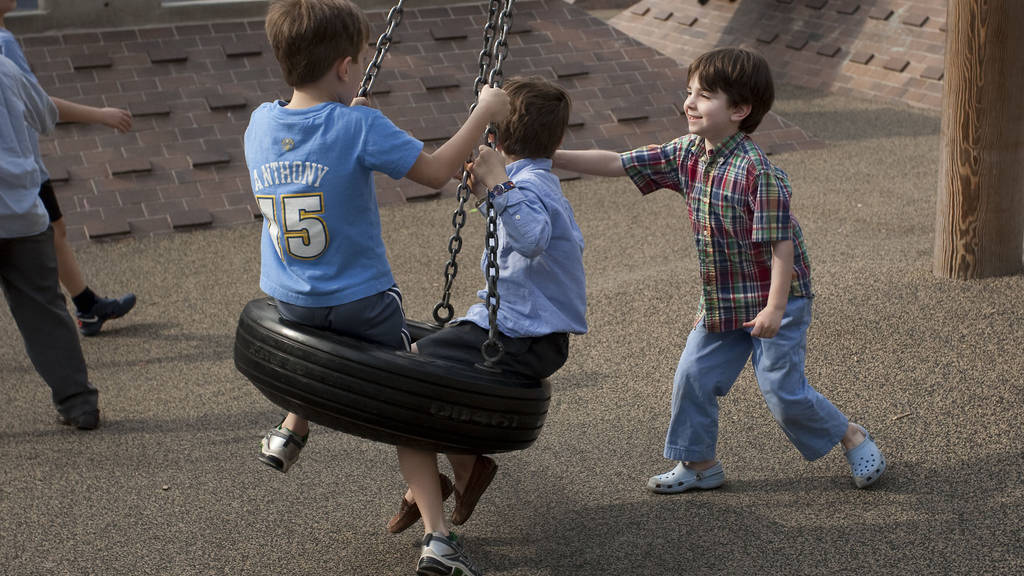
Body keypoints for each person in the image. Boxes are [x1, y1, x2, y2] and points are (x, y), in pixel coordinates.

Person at [244, 1, 508, 574]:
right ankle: (438, 540)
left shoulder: (259, 123)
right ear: (345, 67)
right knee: (404, 406)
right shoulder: (358, 125)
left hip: (291, 303)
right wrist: (483, 109)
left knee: (317, 356)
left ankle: (293, 426)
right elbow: (437, 172)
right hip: (362, 302)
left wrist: (344, 119)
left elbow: (302, 156)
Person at [552, 47, 886, 491]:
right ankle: (700, 464)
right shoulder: (687, 153)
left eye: (705, 95)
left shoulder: (757, 172)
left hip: (777, 296)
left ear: (740, 110)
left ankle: (852, 435)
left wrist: (774, 309)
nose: (689, 102)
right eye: (689, 92)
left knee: (782, 392)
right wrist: (550, 156)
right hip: (724, 294)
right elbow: (617, 161)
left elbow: (781, 246)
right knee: (694, 374)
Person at [384, 76, 588, 568]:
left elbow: (533, 237)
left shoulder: (531, 185)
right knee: (436, 381)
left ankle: (439, 479)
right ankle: (465, 467)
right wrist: (486, 193)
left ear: (495, 139)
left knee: (404, 371)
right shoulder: (532, 182)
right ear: (555, 141)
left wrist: (498, 182)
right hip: (516, 329)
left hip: (520, 335)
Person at [1, 0, 136, 337]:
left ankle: (87, 304)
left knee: (55, 230)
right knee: (47, 235)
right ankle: (83, 308)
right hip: (23, 166)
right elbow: (40, 103)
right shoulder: (3, 43)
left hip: (20, 164)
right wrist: (101, 115)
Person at [0, 54, 100, 430]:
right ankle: (78, 402)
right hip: (21, 212)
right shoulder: (5, 67)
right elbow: (44, 117)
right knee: (45, 310)